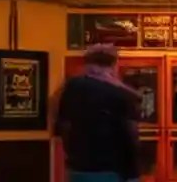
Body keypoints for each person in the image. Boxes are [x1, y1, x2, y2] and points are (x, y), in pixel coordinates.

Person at [54, 44, 141, 182]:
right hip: (112, 169)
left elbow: (63, 125)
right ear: (114, 64)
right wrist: (132, 174)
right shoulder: (122, 94)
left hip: (79, 168)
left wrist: (71, 155)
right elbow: (130, 135)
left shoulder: (71, 88)